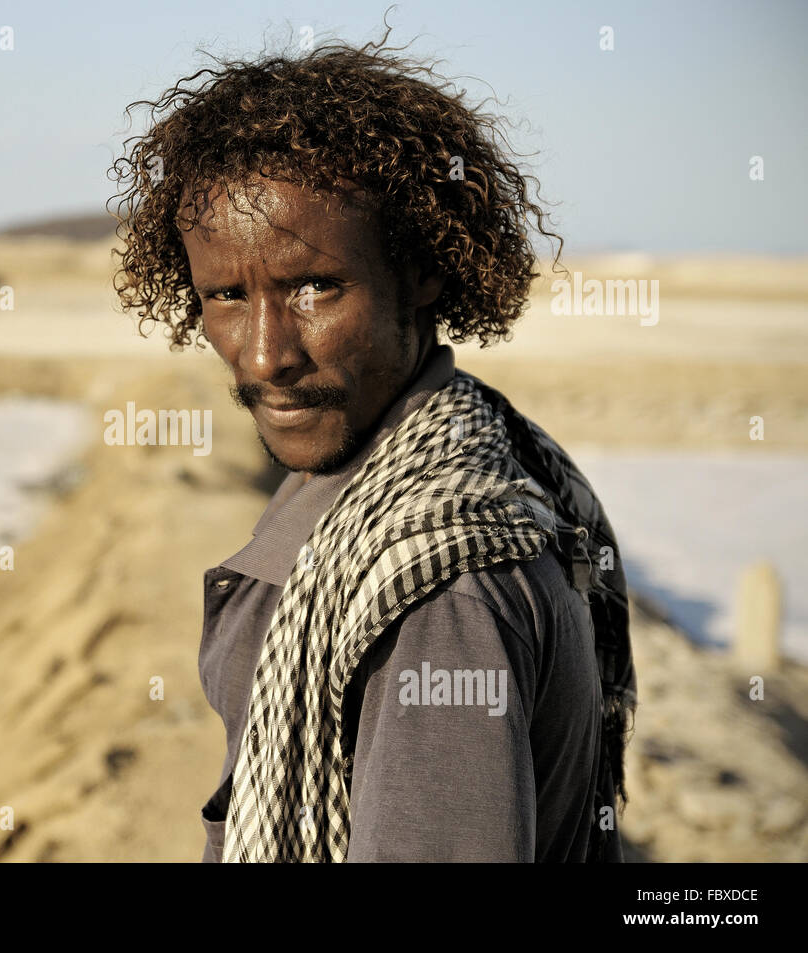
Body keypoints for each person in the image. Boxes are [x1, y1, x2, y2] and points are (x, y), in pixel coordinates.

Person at [109, 37, 637, 862]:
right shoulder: (419, 454)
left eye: (313, 287)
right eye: (225, 296)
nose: (262, 355)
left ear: (421, 269)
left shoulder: (436, 590)